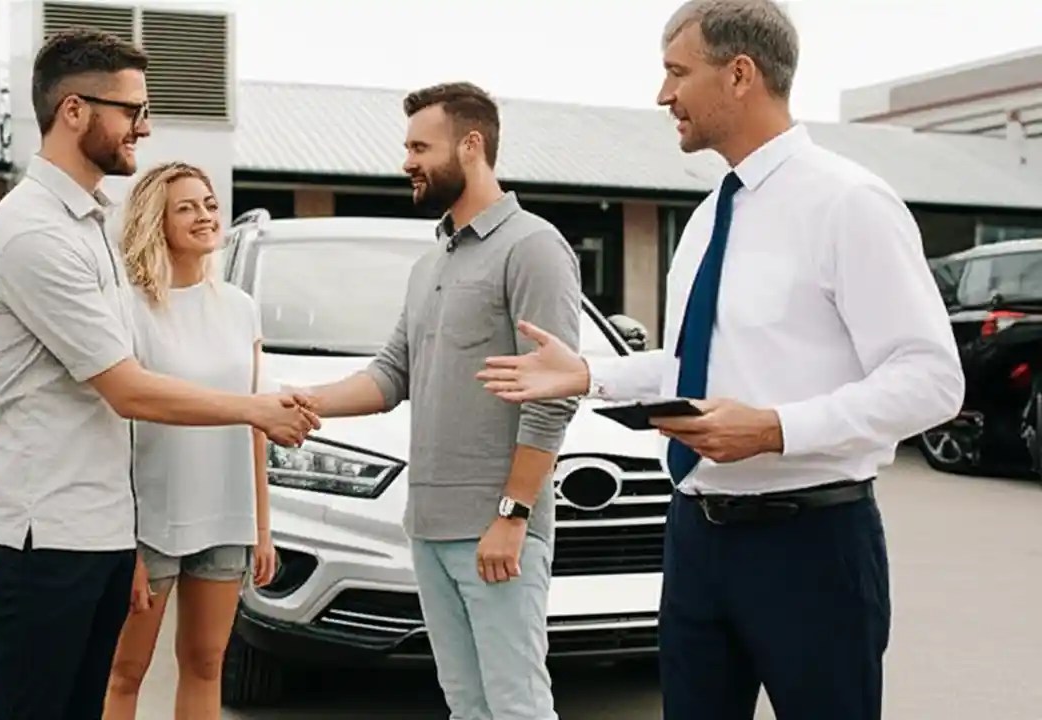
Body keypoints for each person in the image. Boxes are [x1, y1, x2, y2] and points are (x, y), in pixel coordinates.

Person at [476, 2, 965, 719]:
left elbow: (932, 379)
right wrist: (588, 374)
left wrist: (773, 428)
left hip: (812, 547)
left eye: (677, 72)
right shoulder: (709, 216)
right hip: (697, 541)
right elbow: (697, 364)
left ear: (740, 74)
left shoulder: (849, 203)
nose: (662, 95)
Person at [0, 29, 316, 720]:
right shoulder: (35, 233)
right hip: (49, 537)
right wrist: (254, 409)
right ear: (74, 111)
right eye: (131, 109)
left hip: (96, 529)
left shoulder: (84, 223)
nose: (144, 126)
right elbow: (125, 387)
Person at [290, 82, 582, 720]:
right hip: (426, 528)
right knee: (465, 704)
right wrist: (304, 401)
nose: (407, 161)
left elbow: (552, 398)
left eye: (420, 146)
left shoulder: (532, 246)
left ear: (471, 146)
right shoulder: (431, 264)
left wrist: (512, 514)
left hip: (495, 529)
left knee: (517, 705)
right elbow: (393, 375)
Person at [100, 161, 279, 719]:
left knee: (206, 664)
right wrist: (123, 542)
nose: (204, 215)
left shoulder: (239, 308)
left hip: (225, 519)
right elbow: (114, 429)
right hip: (150, 523)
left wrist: (261, 528)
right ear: (158, 220)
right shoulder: (128, 308)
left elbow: (254, 418)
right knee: (124, 672)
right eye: (187, 207)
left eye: (208, 203)